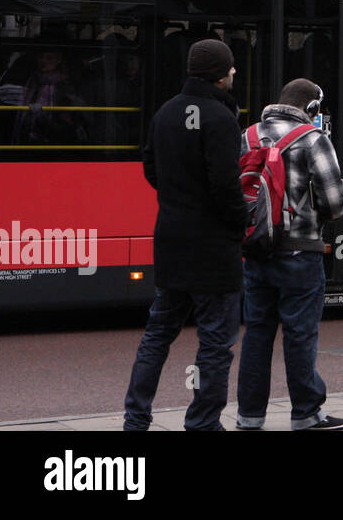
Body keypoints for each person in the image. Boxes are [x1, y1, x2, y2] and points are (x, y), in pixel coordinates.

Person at [123, 39, 248, 431]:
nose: (234, 74)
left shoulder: (166, 111)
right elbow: (226, 185)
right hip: (213, 246)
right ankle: (203, 422)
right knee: (215, 341)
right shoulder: (221, 116)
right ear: (220, 72)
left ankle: (136, 418)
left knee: (157, 335)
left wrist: (177, 196)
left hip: (172, 238)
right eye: (230, 68)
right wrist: (239, 222)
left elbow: (150, 167)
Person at [235, 79, 343, 431]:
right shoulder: (313, 139)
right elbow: (334, 203)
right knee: (300, 335)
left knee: (257, 333)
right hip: (300, 253)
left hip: (256, 252)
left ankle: (249, 416)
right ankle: (306, 413)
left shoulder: (249, 136)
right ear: (311, 108)